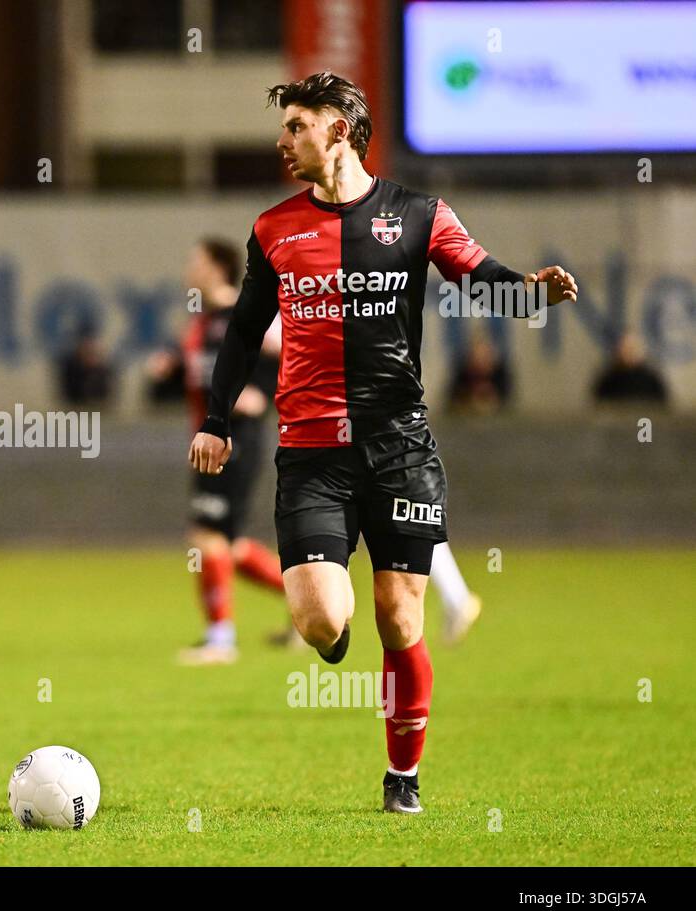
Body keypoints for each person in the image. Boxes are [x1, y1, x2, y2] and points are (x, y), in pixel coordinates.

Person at [187, 72, 577, 813]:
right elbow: (242, 332)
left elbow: (480, 280)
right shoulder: (274, 228)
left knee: (399, 619)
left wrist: (531, 293)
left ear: (339, 129)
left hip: (400, 448)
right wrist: (215, 420)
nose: (283, 140)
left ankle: (403, 778)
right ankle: (329, 637)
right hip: (310, 454)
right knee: (321, 621)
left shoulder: (420, 214)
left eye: (297, 126)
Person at [155, 238, 288, 665]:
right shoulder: (202, 322)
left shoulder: (246, 314)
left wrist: (263, 393)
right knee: (227, 544)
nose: (189, 269)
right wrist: (169, 370)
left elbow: (288, 353)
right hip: (209, 439)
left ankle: (220, 639)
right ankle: (318, 599)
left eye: (197, 261)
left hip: (236, 439)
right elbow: (201, 378)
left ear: (217, 268)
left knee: (208, 538)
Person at [592, 331, 668, 406]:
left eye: (633, 348)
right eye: (626, 348)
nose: (630, 352)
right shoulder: (608, 380)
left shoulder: (652, 380)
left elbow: (661, 409)